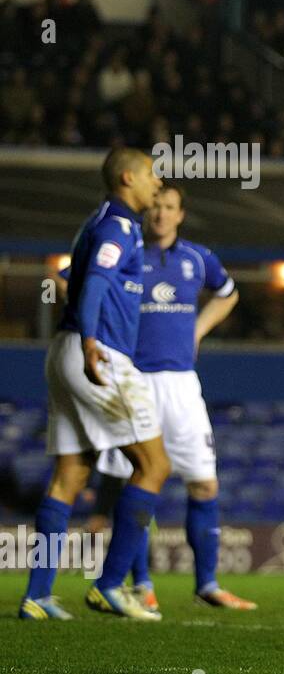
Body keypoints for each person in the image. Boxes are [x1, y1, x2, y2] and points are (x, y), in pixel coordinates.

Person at [89, 184, 255, 615]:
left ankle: (207, 584)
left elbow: (229, 293)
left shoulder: (197, 259)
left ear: (181, 215)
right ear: (147, 210)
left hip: (182, 385)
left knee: (204, 482)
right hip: (134, 381)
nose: (160, 214)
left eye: (169, 208)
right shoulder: (126, 250)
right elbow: (75, 278)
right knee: (139, 481)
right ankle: (141, 584)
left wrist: (199, 329)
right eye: (156, 206)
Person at [20, 148, 167, 621]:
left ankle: (38, 595)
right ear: (128, 178)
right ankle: (110, 585)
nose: (157, 184)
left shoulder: (98, 222)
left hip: (63, 351)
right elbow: (98, 283)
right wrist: (91, 340)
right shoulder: (117, 227)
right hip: (97, 353)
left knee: (71, 475)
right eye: (150, 175)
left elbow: (70, 276)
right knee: (154, 466)